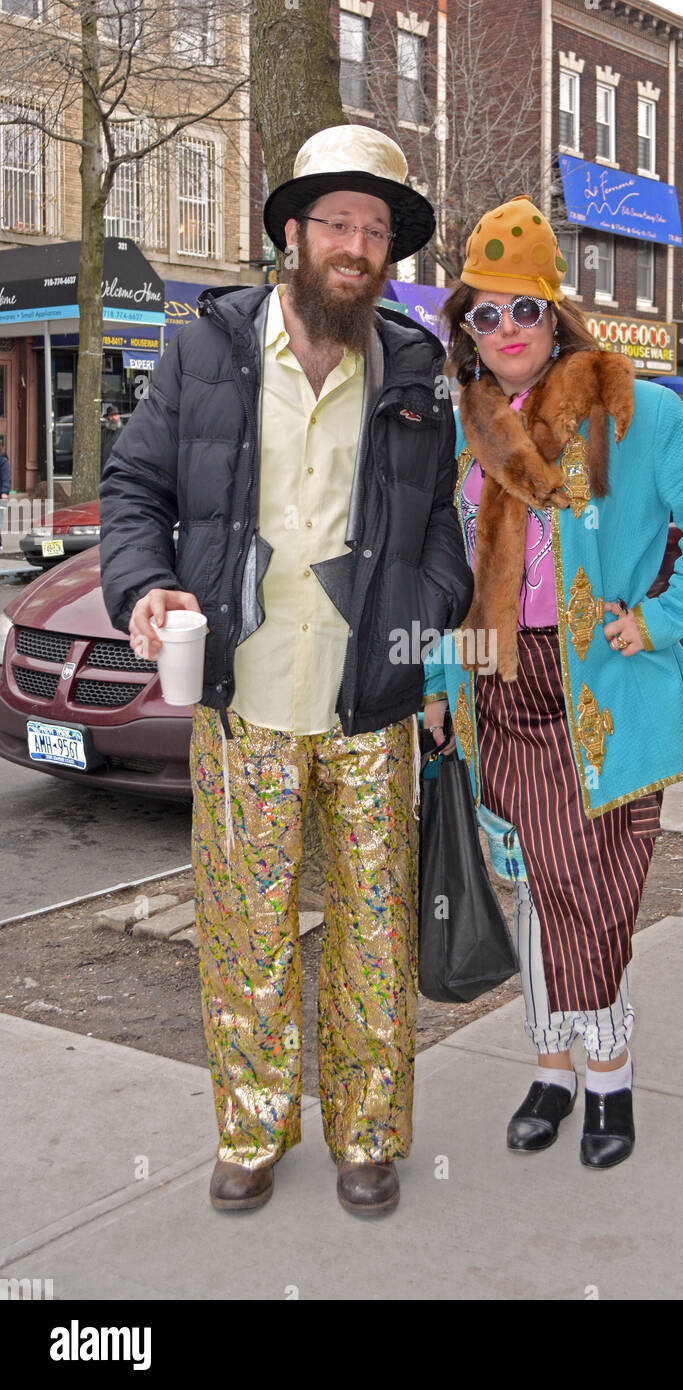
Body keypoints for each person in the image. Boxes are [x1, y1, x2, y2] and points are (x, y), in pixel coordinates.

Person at [100, 125, 473, 1217]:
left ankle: (366, 1135)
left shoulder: (410, 363)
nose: (356, 245)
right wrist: (141, 588)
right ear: (293, 235)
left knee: (371, 933)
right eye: (337, 223)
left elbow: (439, 516)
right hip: (243, 700)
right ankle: (253, 1128)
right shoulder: (208, 347)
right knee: (245, 925)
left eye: (375, 229)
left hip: (370, 704)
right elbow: (134, 490)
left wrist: (429, 604)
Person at [423, 195, 683, 1168]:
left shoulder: (632, 410)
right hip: (499, 695)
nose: (508, 329)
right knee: (535, 886)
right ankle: (554, 1068)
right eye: (485, 313)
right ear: (467, 331)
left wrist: (655, 616)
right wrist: (442, 682)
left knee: (588, 890)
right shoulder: (467, 432)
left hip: (601, 695)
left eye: (524, 309)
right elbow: (455, 578)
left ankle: (605, 1073)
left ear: (555, 315)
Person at [100, 406, 123, 473]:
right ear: (107, 417)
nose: (114, 418)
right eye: (111, 415)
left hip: (118, 468)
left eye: (115, 415)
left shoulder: (124, 431)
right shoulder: (102, 432)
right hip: (104, 468)